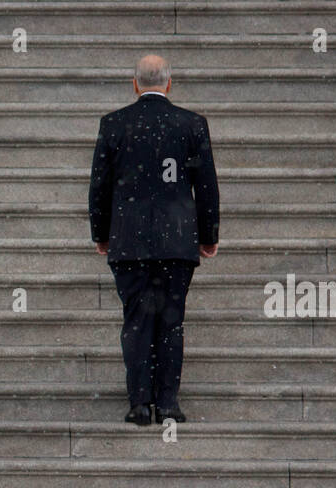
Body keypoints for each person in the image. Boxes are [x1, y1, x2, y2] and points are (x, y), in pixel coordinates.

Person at [88, 54, 220, 426]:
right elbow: (206, 186)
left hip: (129, 240)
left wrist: (101, 233)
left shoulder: (114, 125)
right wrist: (208, 235)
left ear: (134, 83)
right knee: (171, 319)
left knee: (136, 320)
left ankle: (139, 403)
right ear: (169, 83)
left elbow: (99, 186)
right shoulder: (191, 125)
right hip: (177, 240)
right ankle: (168, 403)